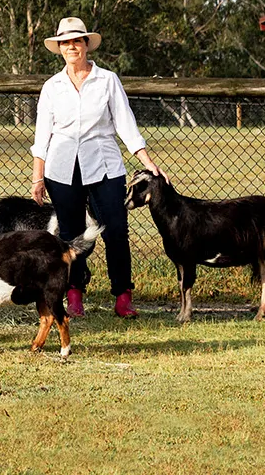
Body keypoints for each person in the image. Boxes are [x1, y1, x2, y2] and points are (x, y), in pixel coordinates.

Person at [29, 16, 165, 319]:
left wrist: (148, 162)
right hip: (61, 170)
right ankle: (74, 295)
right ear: (60, 48)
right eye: (65, 42)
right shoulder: (52, 87)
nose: (71, 47)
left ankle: (123, 296)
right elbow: (42, 136)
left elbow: (126, 125)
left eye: (76, 41)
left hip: (105, 166)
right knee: (70, 234)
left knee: (116, 230)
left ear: (86, 45)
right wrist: (38, 177)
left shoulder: (108, 80)